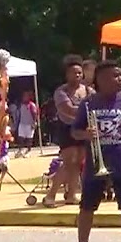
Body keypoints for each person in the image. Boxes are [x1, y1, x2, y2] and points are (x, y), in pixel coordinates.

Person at [61, 61, 121, 242]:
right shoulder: (88, 103)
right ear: (101, 79)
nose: (120, 79)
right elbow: (75, 131)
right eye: (115, 75)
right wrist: (85, 134)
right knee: (87, 207)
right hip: (96, 162)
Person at [44, 55, 91, 207]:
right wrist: (87, 110)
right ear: (67, 74)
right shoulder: (61, 91)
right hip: (67, 127)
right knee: (68, 162)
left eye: (79, 72)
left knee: (78, 163)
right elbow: (68, 109)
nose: (77, 75)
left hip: (83, 128)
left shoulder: (88, 90)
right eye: (73, 72)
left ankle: (71, 194)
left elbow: (97, 104)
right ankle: (51, 195)